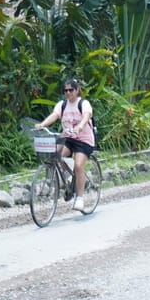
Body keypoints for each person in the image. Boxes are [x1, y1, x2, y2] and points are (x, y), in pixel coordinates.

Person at [35, 78, 96, 212]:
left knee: (79, 165)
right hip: (68, 138)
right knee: (55, 156)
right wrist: (42, 124)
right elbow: (55, 115)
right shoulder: (62, 105)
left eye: (71, 90)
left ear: (77, 90)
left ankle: (79, 198)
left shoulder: (83, 103)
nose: (68, 93)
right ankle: (68, 178)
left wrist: (80, 126)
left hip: (83, 139)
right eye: (65, 90)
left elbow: (86, 116)